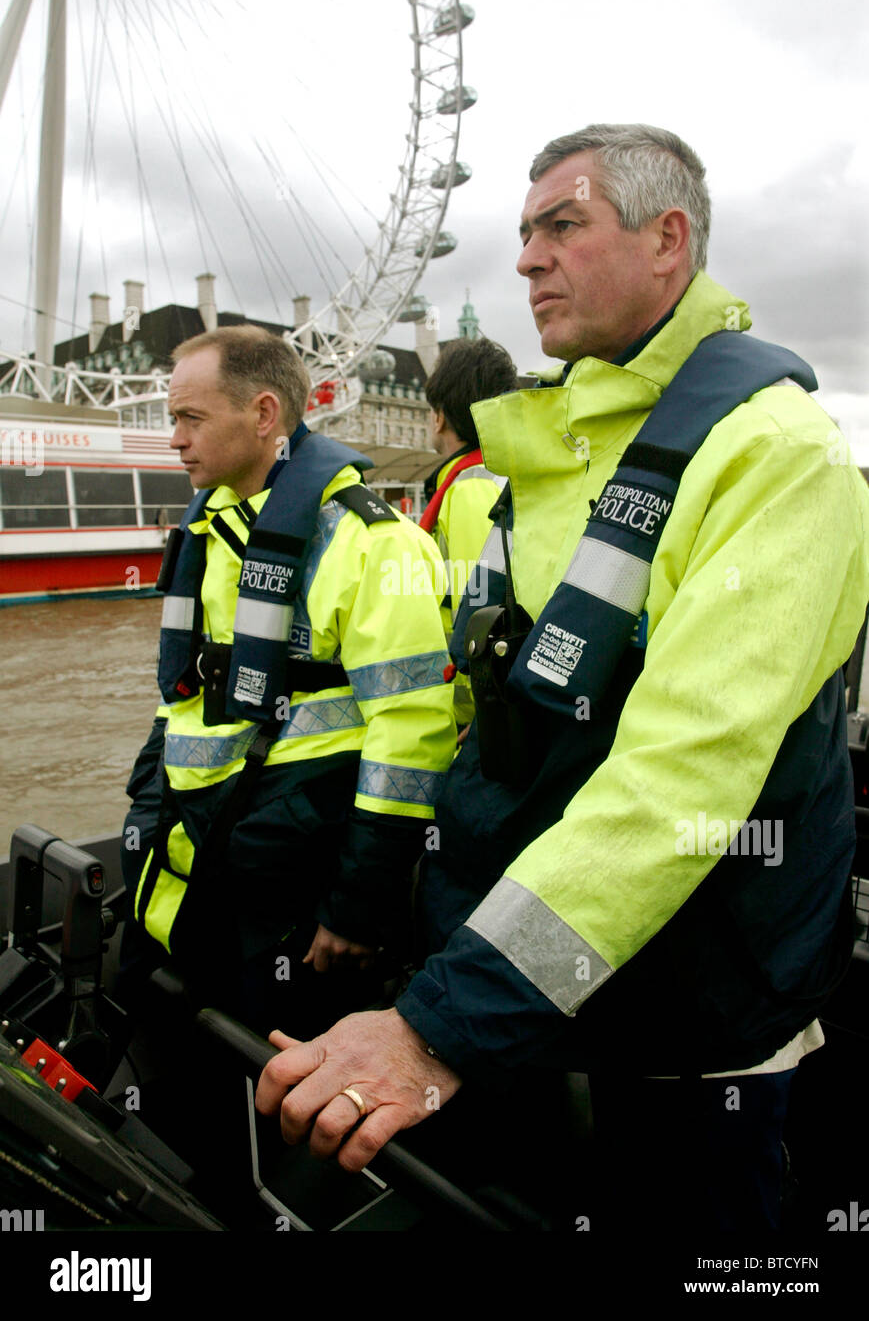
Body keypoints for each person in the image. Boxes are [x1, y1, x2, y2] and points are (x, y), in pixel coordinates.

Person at [256, 126, 869, 1229]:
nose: (528, 256)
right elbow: (491, 727)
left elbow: (678, 783)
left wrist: (438, 1022)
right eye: (524, 231)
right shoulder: (544, 456)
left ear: (666, 240)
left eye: (562, 225)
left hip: (685, 1034)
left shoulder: (775, 455)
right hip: (537, 1009)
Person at [121, 325, 455, 1037]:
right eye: (171, 419)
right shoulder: (209, 534)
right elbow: (181, 693)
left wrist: (358, 907)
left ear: (264, 414)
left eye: (191, 418)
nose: (174, 440)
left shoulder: (376, 545)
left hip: (291, 890)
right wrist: (148, 804)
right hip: (188, 862)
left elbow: (412, 737)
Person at [420, 338, 517, 723]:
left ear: (439, 416)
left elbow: (482, 611)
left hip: (468, 710)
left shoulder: (469, 488)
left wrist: (480, 715)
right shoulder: (499, 474)